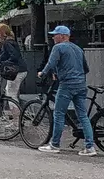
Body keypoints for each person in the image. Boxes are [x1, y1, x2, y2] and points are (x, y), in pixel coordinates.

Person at [37, 25, 96, 156]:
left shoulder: (58, 47)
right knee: (83, 116)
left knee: (58, 114)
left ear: (63, 36)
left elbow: (51, 63)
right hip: (81, 84)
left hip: (67, 85)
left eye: (55, 35)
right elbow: (85, 68)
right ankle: (90, 147)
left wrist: (43, 73)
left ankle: (55, 144)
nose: (53, 37)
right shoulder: (78, 49)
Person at [0, 22, 28, 119]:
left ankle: (17, 120)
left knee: (11, 95)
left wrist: (1, 63)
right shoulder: (10, 41)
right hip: (20, 70)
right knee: (9, 91)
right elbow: (4, 55)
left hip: (16, 71)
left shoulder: (7, 43)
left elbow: (13, 57)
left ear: (2, 33)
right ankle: (17, 117)